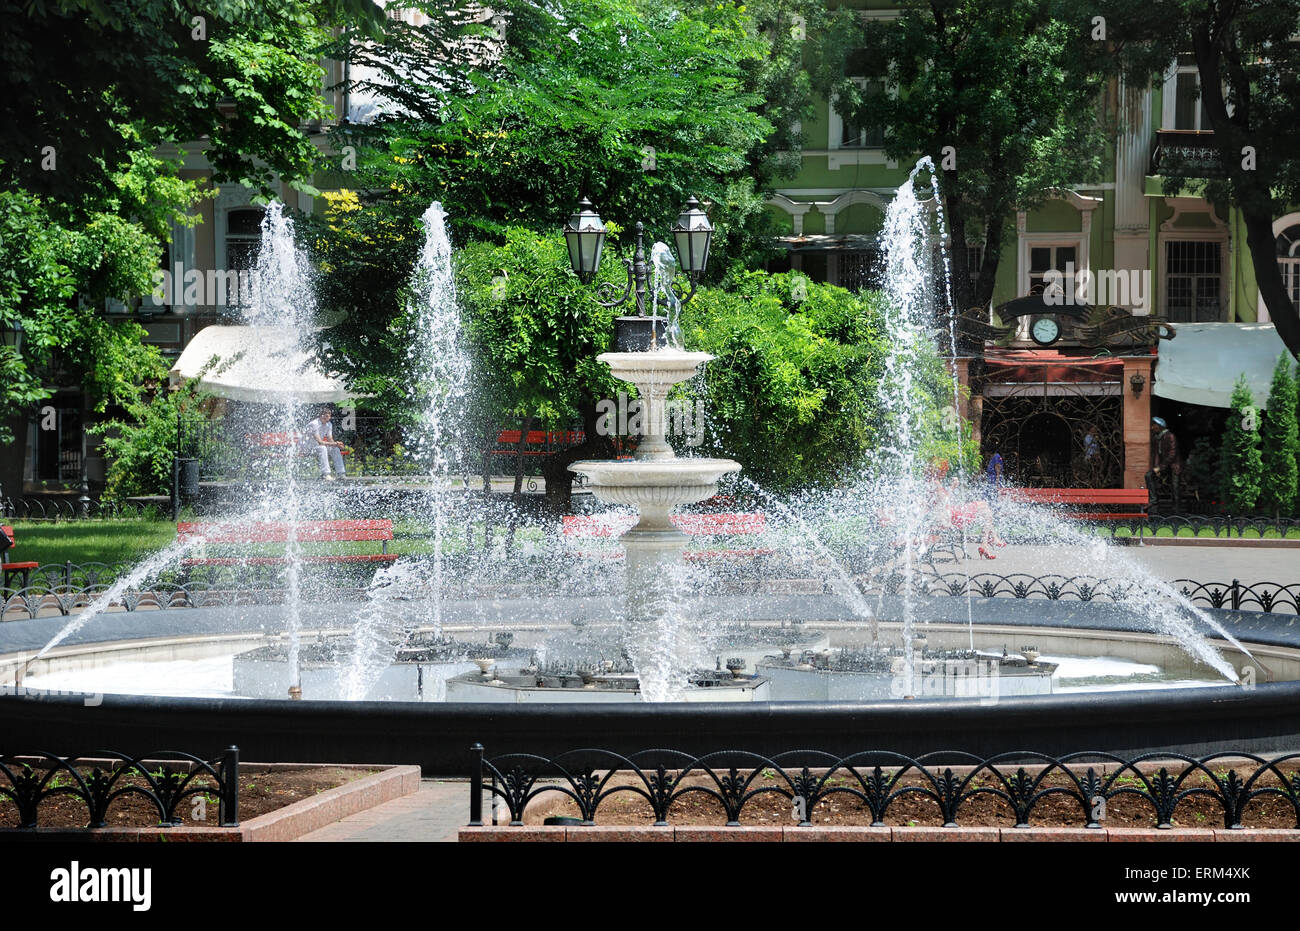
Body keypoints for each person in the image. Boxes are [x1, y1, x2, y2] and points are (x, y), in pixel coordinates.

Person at [1145, 416, 1181, 512]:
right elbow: (1156, 454)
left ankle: (1176, 509)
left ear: (1160, 426)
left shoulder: (1170, 436)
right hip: (1163, 466)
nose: (1152, 428)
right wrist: (1156, 468)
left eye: (1154, 425)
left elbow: (1172, 454)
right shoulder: (1156, 438)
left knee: (1175, 486)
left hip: (1173, 466)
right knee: (1149, 475)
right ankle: (1153, 501)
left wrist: (1160, 467)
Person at [304, 408, 346, 480]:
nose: (328, 418)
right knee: (322, 448)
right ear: (321, 416)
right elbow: (320, 442)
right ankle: (325, 474)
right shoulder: (314, 424)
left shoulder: (329, 424)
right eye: (327, 416)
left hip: (317, 447)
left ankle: (341, 473)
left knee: (335, 449)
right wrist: (336, 443)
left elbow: (330, 439)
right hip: (307, 448)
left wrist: (337, 445)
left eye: (329, 416)